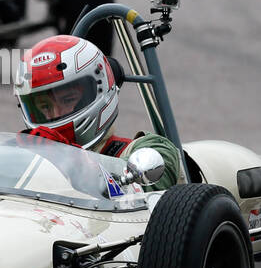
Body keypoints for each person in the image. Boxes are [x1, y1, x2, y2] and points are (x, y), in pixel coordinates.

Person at [13, 34, 183, 191]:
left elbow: (136, 194)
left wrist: (69, 161)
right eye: (44, 107)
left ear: (100, 88)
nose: (55, 113)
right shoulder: (30, 160)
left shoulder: (152, 152)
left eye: (68, 100)